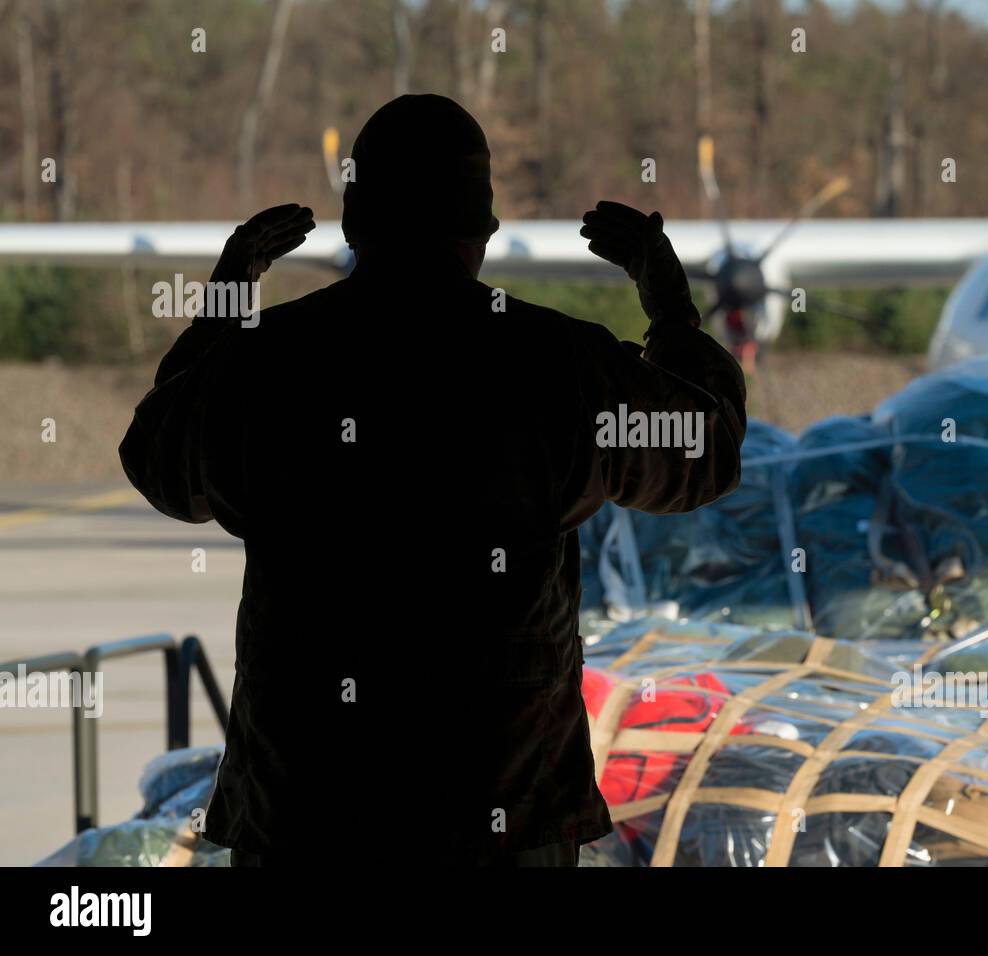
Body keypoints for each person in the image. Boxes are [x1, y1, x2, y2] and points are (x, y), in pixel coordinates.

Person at [119, 94, 747, 867]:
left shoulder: (262, 367)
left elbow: (158, 460)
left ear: (353, 224)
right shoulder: (560, 366)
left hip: (307, 818)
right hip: (498, 819)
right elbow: (706, 452)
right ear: (481, 227)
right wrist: (672, 312)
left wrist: (223, 307)